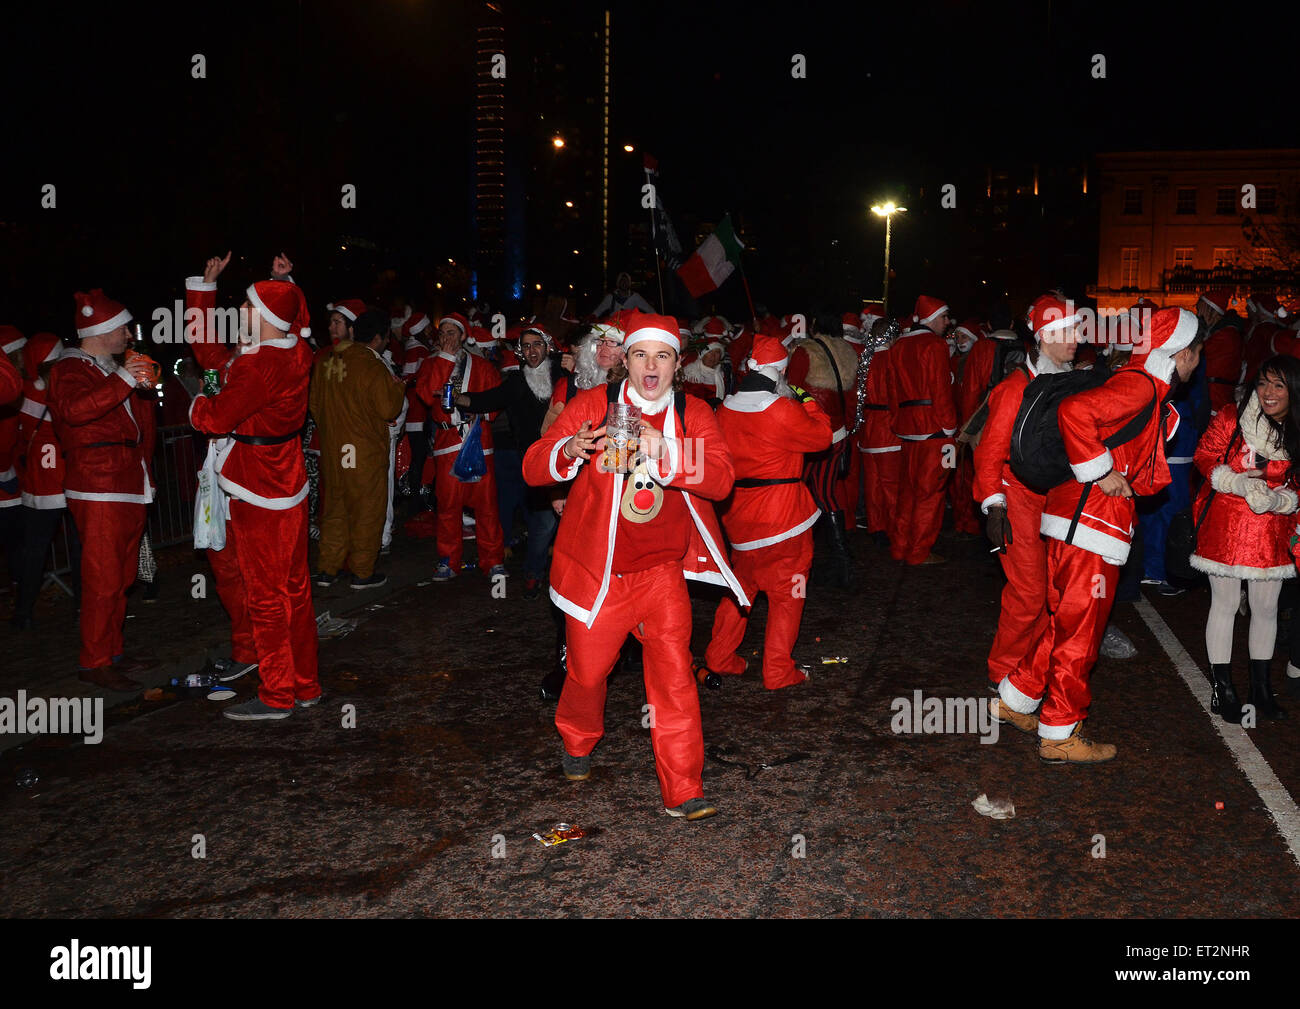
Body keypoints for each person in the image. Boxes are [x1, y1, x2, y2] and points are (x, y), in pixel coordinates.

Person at [522, 313, 747, 821]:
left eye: (662, 355)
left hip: (662, 574)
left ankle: (685, 786)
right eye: (641, 354)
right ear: (624, 360)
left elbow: (723, 478)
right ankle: (577, 740)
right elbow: (532, 464)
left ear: (677, 363)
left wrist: (663, 448)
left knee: (674, 679)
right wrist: (568, 450)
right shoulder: (593, 404)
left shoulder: (694, 412)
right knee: (586, 673)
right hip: (598, 575)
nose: (651, 365)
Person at [992, 307, 1202, 761]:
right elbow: (1074, 411)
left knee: (1061, 621)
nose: (1197, 363)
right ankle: (1060, 733)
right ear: (1183, 352)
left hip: (1075, 520)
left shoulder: (1141, 381)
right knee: (1081, 635)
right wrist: (1102, 471)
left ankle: (1017, 700)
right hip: (1091, 524)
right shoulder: (1140, 383)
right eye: (1196, 353)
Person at [185, 252, 320, 720]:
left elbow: (214, 417)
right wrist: (282, 284)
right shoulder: (297, 351)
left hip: (257, 487)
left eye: (246, 307)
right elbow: (212, 355)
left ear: (264, 318)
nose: (238, 311)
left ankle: (277, 695)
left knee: (264, 596)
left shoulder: (255, 367)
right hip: (289, 480)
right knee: (295, 588)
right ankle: (306, 683)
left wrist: (200, 399)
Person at [703, 333, 832, 688]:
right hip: (785, 519)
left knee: (742, 589)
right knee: (788, 594)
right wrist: (807, 399)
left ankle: (719, 657)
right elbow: (823, 436)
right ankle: (777, 669)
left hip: (740, 519)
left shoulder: (724, 410)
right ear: (780, 373)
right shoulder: (783, 410)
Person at [49, 291, 157, 690]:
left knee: (122, 575)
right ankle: (93, 661)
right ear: (102, 330)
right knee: (103, 576)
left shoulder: (110, 367)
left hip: (127, 481)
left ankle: (112, 651)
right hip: (98, 485)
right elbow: (76, 411)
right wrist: (127, 378)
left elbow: (140, 426)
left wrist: (147, 472)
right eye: (123, 327)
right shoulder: (69, 369)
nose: (129, 334)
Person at [974, 295, 1079, 693]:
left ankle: (1027, 671)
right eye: (1068, 331)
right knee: (1029, 592)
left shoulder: (1065, 381)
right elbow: (989, 452)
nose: (1077, 338)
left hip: (1051, 501)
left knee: (1051, 591)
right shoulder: (1015, 387)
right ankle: (1002, 672)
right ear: (1045, 336)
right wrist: (993, 504)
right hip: (1015, 498)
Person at [1191, 356, 1300, 723]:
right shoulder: (1230, 416)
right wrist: (1234, 481)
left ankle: (1260, 689)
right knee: (1223, 605)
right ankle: (1223, 690)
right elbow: (1204, 455)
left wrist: (1283, 498)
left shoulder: (1297, 430)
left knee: (1266, 608)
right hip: (1225, 521)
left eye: (1278, 385)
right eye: (1263, 383)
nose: (1268, 393)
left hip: (1272, 526)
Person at [536, 321, 627, 701]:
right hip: (578, 497)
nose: (604, 348)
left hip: (623, 499)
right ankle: (566, 661)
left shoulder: (637, 393)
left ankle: (621, 651)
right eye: (599, 341)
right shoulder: (569, 387)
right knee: (573, 576)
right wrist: (557, 489)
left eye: (614, 343)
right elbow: (547, 442)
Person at [456, 324, 562, 598]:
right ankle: (533, 574)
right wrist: (458, 398)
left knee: (572, 524)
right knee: (544, 524)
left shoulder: (562, 376)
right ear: (520, 352)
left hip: (567, 458)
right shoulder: (515, 383)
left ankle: (573, 583)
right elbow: (487, 399)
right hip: (536, 464)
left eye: (536, 344)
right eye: (526, 346)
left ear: (547, 347)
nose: (531, 350)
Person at [310, 307, 407, 588]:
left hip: (333, 451)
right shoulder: (371, 365)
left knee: (335, 509)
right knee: (366, 510)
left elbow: (314, 405)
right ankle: (362, 571)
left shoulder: (326, 360)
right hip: (362, 452)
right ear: (378, 338)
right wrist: (398, 389)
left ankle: (328, 568)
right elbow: (388, 408)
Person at [415, 313, 506, 581]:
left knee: (487, 506)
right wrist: (444, 360)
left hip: (479, 442)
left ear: (463, 336)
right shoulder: (431, 364)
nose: (446, 338)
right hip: (447, 443)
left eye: (452, 333)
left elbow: (495, 401)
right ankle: (448, 560)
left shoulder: (482, 366)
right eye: (442, 333)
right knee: (448, 507)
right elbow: (426, 393)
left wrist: (481, 413)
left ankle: (492, 560)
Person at [787, 313, 859, 587]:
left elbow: (790, 391)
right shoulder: (848, 351)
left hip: (809, 432)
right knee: (825, 491)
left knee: (801, 490)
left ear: (815, 325)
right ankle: (842, 559)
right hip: (837, 432)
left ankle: (805, 554)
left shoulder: (806, 351)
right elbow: (851, 396)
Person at [886, 295, 957, 565]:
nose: (947, 322)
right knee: (931, 493)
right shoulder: (935, 346)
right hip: (934, 431)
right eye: (943, 317)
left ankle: (900, 546)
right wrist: (950, 427)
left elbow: (892, 390)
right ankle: (919, 552)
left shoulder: (898, 346)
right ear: (930, 319)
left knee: (908, 492)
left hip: (907, 430)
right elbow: (941, 391)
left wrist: (896, 420)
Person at [12, 332, 69, 630]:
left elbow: (17, 441)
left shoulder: (22, 394)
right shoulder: (67, 388)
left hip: (37, 485)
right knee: (82, 545)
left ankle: (23, 611)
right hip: (68, 481)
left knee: (34, 551)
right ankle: (83, 608)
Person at [1198, 289, 1243, 417]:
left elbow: (1201, 359)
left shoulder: (1226, 335)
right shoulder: (1220, 332)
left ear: (1211, 311)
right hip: (1214, 396)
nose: (1198, 314)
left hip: (1216, 399)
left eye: (1201, 310)